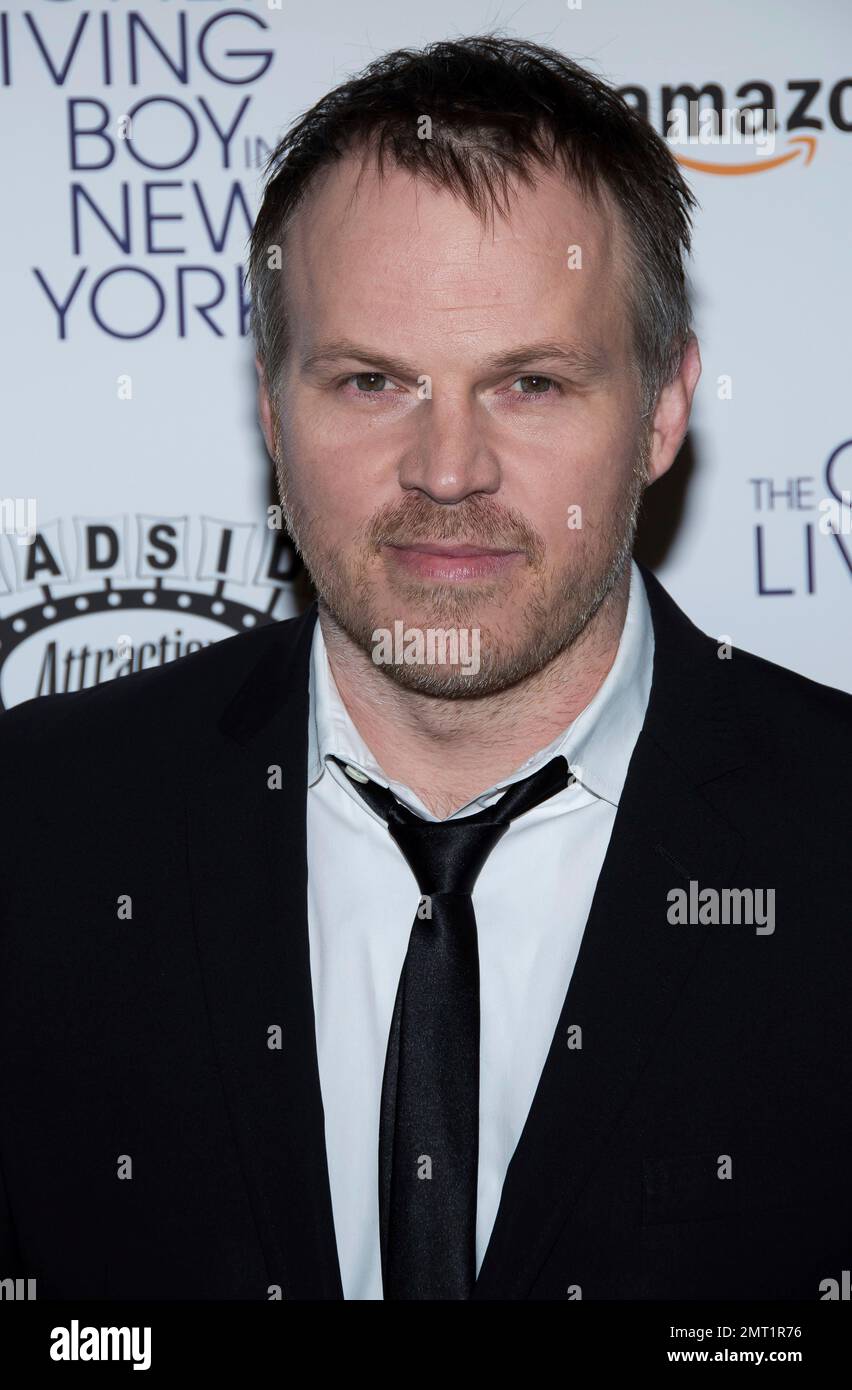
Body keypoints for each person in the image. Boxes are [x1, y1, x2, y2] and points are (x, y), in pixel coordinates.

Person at [1, 35, 850, 1302]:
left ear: (665, 409)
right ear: (274, 411)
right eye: (371, 379)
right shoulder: (37, 828)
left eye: (531, 382)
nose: (447, 470)